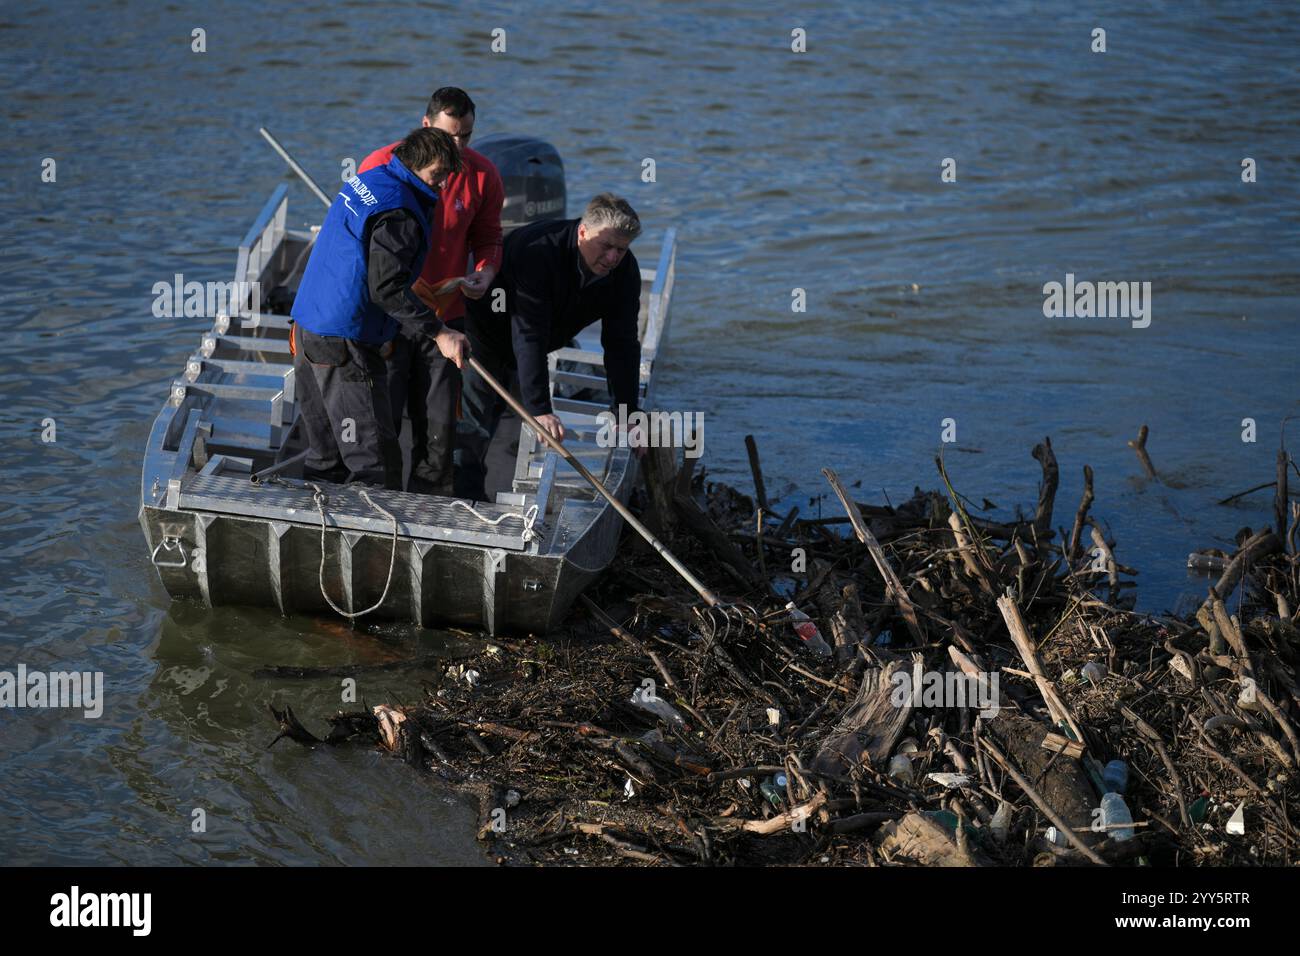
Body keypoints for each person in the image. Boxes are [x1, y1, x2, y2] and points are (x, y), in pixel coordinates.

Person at [289, 127, 468, 489]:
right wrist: (440, 332)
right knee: (375, 461)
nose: (443, 185)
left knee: (326, 456)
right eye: (437, 176)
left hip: (307, 328)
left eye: (447, 176)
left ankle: (317, 528)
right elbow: (386, 288)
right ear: (414, 166)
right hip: (344, 342)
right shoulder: (401, 209)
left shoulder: (369, 179)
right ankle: (377, 542)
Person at [358, 87, 504, 495]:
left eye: (466, 137)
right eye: (449, 136)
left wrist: (485, 272)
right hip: (391, 314)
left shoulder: (484, 175)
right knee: (380, 419)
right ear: (425, 126)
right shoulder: (379, 163)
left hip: (446, 317)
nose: (457, 147)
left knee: (439, 427)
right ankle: (380, 504)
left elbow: (489, 237)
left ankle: (429, 507)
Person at [462, 193, 644, 501]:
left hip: (536, 341)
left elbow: (621, 344)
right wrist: (541, 410)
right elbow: (528, 330)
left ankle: (498, 486)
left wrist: (626, 412)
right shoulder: (540, 250)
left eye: (622, 250)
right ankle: (464, 500)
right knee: (474, 424)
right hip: (484, 330)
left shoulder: (623, 272)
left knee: (512, 429)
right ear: (583, 232)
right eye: (607, 246)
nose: (614, 258)